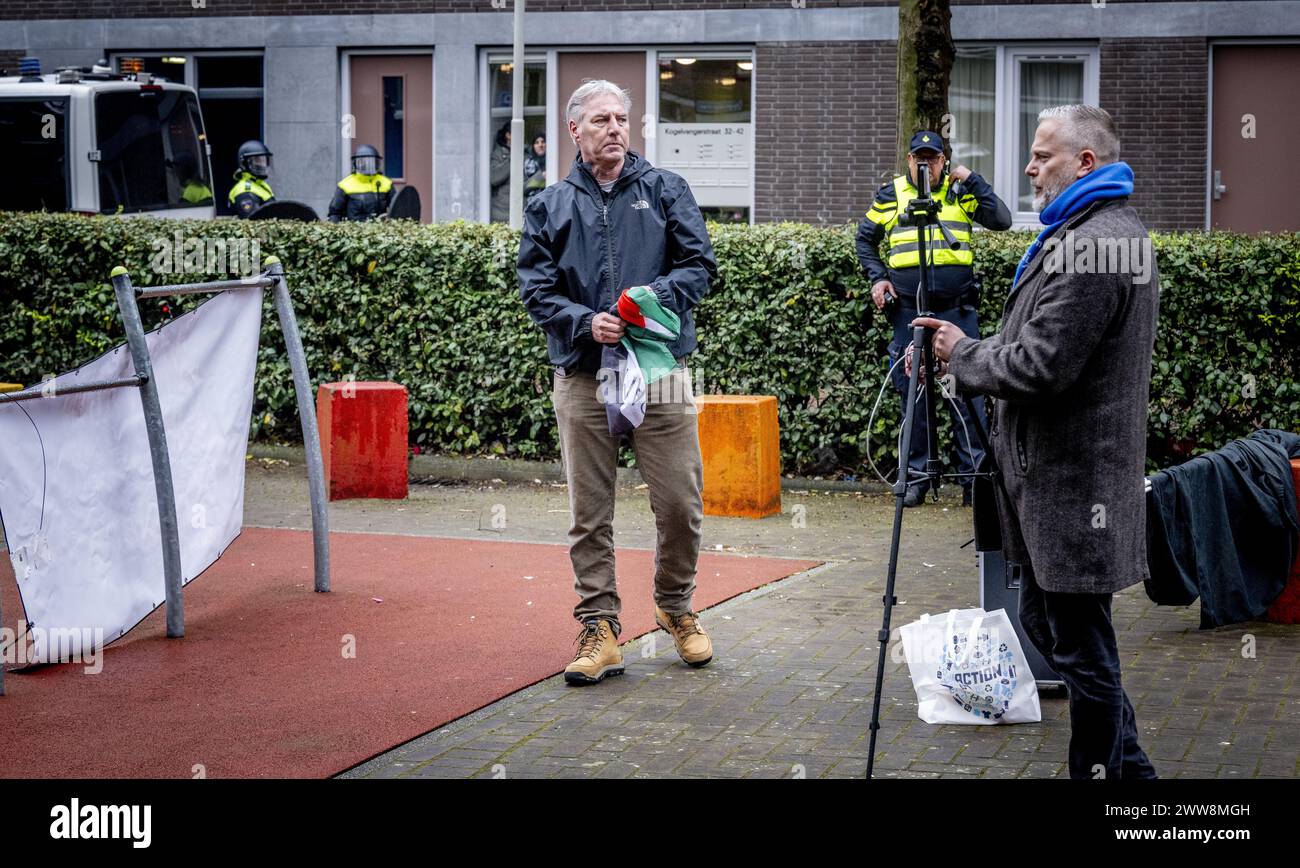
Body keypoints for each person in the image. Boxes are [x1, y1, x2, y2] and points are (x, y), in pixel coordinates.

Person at [915, 104, 1159, 780]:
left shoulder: (1094, 243)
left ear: (1086, 161)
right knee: (1058, 632)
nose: (1028, 167)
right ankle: (1133, 771)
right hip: (1050, 482)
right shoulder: (1082, 231)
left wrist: (966, 355)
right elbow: (1029, 347)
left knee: (1081, 649)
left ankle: (1106, 775)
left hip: (1074, 484)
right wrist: (960, 353)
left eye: (1042, 154)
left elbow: (1043, 364)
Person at [518, 79, 718, 685]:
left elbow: (700, 267)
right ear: (573, 130)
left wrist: (650, 300)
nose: (614, 128)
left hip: (659, 372)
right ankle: (600, 629)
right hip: (583, 376)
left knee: (681, 503)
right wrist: (585, 322)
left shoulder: (665, 190)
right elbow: (536, 289)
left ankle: (675, 606)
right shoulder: (548, 205)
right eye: (600, 119)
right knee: (590, 512)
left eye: (622, 119)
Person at [857, 130, 1012, 507]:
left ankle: (974, 477)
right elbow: (865, 239)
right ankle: (915, 478)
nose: (925, 164)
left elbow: (1002, 220)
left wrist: (971, 179)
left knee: (966, 389)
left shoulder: (960, 193)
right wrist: (878, 278)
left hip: (956, 309)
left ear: (945, 161)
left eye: (934, 158)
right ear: (908, 160)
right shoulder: (891, 194)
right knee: (913, 393)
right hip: (909, 310)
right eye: (919, 158)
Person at [328, 144, 394, 222]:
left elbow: (398, 208)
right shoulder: (345, 185)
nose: (366, 165)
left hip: (380, 231)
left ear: (377, 163)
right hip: (354, 231)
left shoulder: (386, 183)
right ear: (355, 164)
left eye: (371, 162)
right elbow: (334, 213)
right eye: (362, 162)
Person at [228, 140, 274, 218]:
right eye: (257, 161)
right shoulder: (245, 190)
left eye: (264, 161)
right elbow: (252, 222)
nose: (263, 165)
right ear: (244, 163)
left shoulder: (260, 185)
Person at [489, 123, 512, 222]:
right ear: (508, 135)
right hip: (501, 211)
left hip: (520, 208)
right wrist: (512, 160)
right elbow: (494, 178)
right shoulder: (498, 154)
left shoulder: (527, 153)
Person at [524, 133, 547, 203]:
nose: (540, 145)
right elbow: (526, 186)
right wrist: (541, 176)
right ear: (533, 146)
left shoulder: (552, 161)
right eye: (537, 142)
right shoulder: (529, 163)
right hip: (532, 202)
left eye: (543, 142)